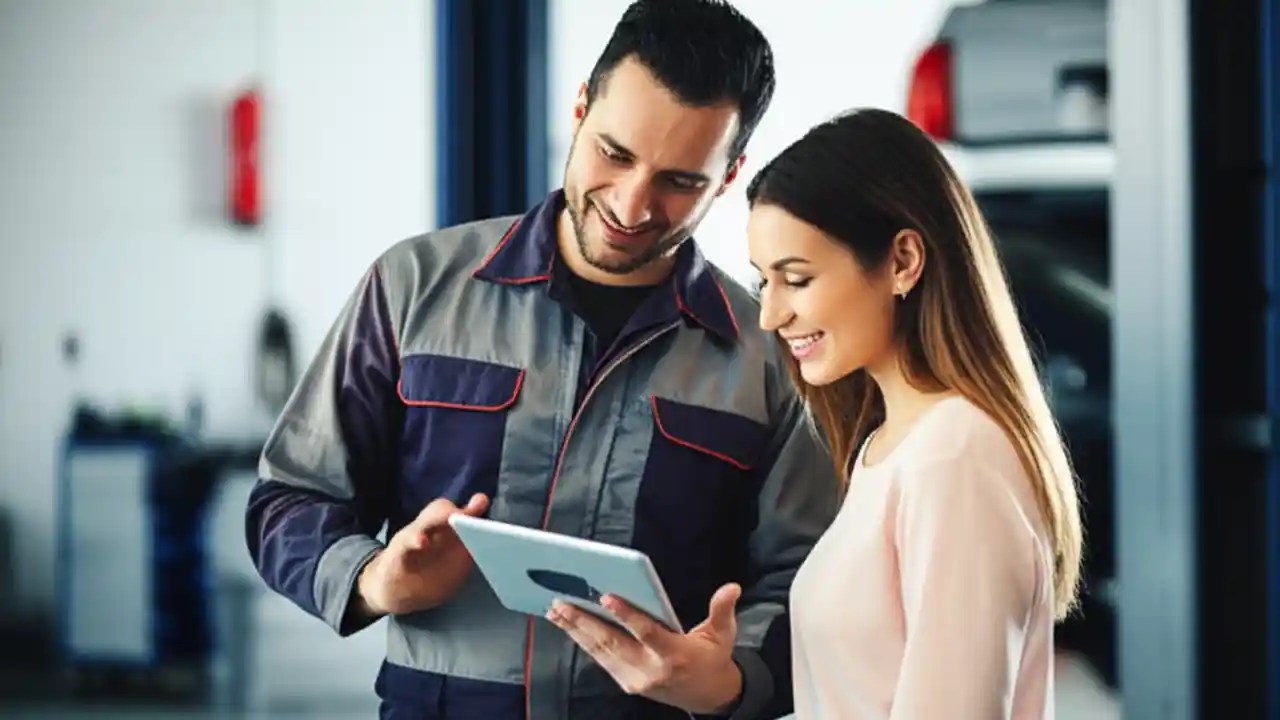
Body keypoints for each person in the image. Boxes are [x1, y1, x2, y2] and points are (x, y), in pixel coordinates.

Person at [243, 2, 838, 719]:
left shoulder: (769, 353)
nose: (632, 206)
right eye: (615, 154)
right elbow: (290, 499)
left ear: (730, 174)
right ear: (580, 109)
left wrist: (731, 679)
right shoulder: (412, 289)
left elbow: (809, 581)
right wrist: (374, 579)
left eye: (680, 181)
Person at [743, 108, 1085, 718]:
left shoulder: (955, 454)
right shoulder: (886, 446)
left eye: (796, 279)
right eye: (763, 282)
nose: (771, 315)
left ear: (902, 262)